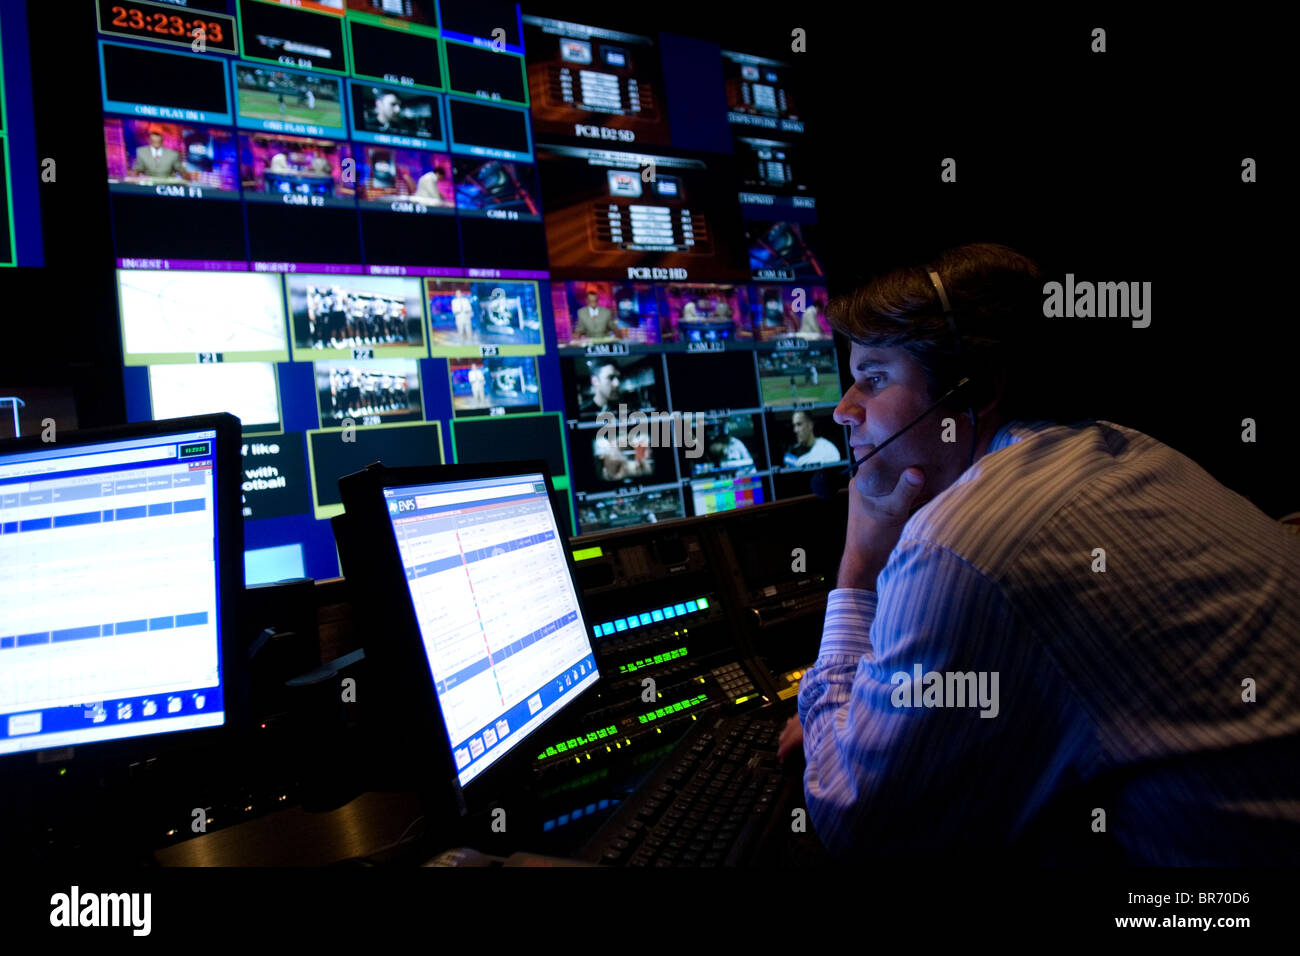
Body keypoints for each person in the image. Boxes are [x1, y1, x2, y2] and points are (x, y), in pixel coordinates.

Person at [777, 242, 1300, 865]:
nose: (843, 410)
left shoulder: (960, 543)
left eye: (875, 378)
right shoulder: (1128, 448)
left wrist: (859, 561)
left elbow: (855, 817)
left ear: (977, 388)